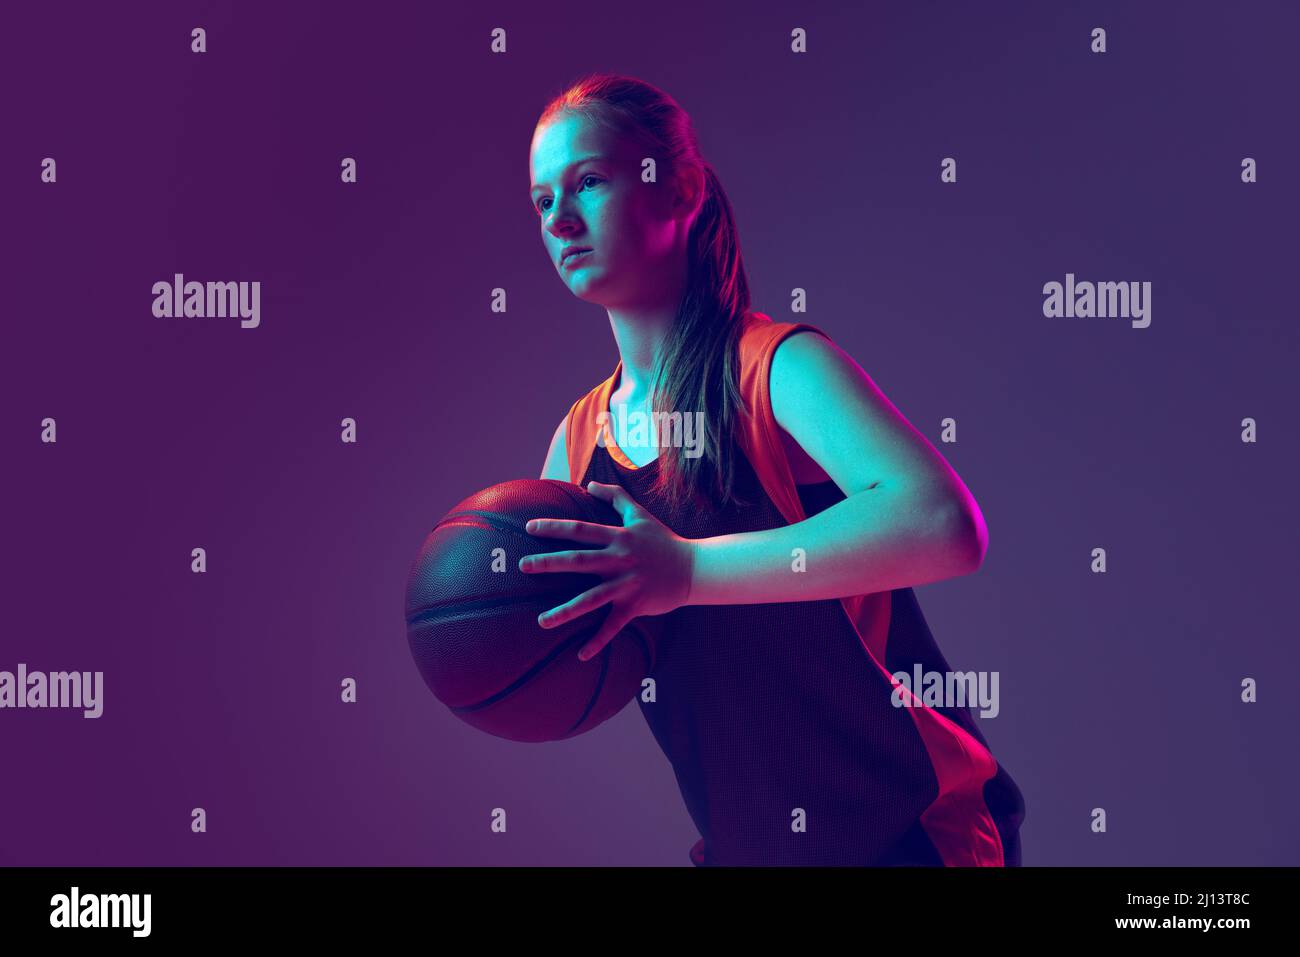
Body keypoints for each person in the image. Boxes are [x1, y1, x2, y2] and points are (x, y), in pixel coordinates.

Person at [521, 73, 1025, 867]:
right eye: (543, 201)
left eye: (588, 182)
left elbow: (946, 526)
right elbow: (546, 640)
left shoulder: (774, 368)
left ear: (680, 188)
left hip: (911, 839)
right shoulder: (577, 445)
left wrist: (684, 569)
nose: (560, 219)